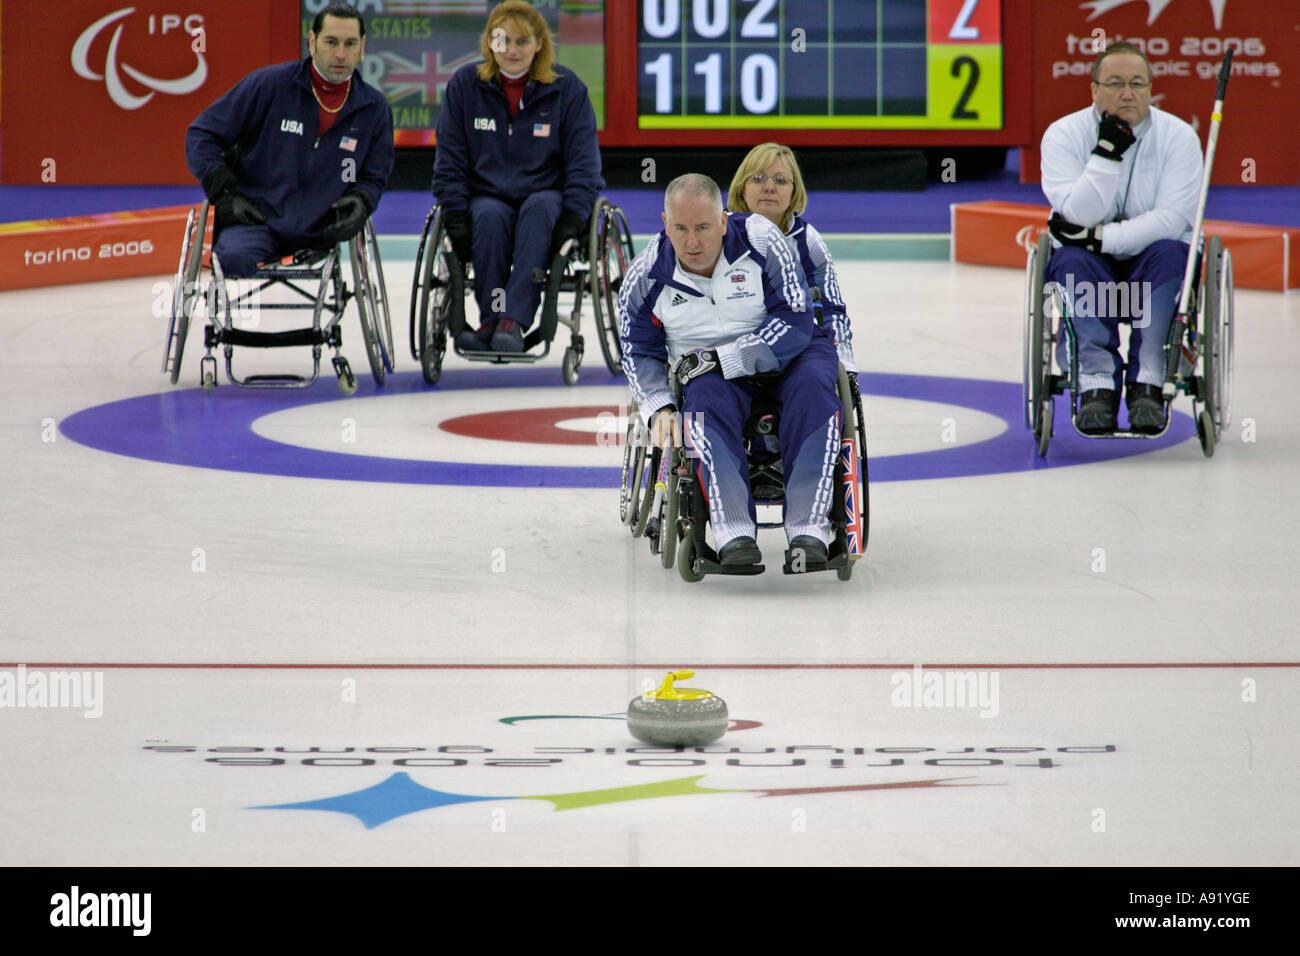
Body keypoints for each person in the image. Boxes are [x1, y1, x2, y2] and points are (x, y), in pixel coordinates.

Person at [619, 174, 842, 569]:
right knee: (701, 406)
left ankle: (809, 528)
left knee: (816, 389)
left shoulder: (761, 240)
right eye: (681, 229)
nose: (692, 242)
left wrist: (728, 358)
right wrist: (660, 407)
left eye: (704, 228)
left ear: (724, 220)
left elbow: (795, 317)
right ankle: (733, 532)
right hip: (709, 376)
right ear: (665, 223)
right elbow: (638, 351)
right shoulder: (646, 277)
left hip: (791, 354)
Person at [1040, 41, 1201, 434]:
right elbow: (1079, 214)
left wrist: (1097, 239)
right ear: (1094, 89)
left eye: (1137, 83)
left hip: (1153, 258)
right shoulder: (1062, 135)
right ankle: (1097, 384)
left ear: (1150, 88)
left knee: (1171, 251)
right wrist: (1107, 152)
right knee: (1072, 260)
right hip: (1091, 265)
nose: (1127, 93)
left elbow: (1170, 219)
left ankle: (1148, 380)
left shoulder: (1180, 138)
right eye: (1114, 83)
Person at [432, 1, 603, 354]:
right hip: (486, 195)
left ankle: (513, 319)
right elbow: (449, 159)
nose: (511, 50)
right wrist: (453, 210)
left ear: (540, 44)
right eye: (502, 40)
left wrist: (575, 214)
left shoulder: (567, 89)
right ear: (489, 43)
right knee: (489, 217)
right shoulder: (465, 86)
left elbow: (584, 164)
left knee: (538, 210)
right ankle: (492, 318)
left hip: (546, 195)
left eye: (521, 41)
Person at [185, 3, 393, 278]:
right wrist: (224, 194)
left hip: (322, 230)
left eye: (350, 43)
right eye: (331, 42)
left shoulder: (374, 109)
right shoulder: (269, 85)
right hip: (254, 224)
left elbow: (373, 175)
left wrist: (362, 200)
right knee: (232, 260)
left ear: (362, 47)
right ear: (312, 42)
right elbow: (202, 134)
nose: (341, 54)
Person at [726, 142, 857, 374]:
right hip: (729, 347)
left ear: (794, 192)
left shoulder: (808, 242)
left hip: (794, 351)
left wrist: (843, 360)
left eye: (780, 180)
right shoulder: (717, 233)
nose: (769, 187)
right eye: (757, 178)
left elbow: (831, 309)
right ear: (741, 189)